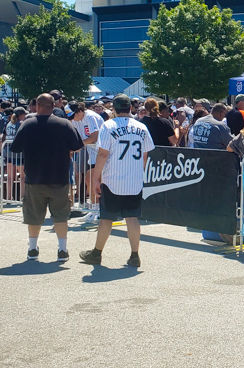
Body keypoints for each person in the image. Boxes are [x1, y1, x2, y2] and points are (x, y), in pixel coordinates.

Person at [80, 94, 154, 268]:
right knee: (132, 218)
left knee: (106, 218)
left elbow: (103, 153)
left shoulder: (108, 125)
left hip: (112, 179)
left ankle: (97, 253)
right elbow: (145, 155)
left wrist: (96, 177)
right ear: (130, 108)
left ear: (114, 108)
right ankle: (135, 255)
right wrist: (139, 173)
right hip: (134, 181)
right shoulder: (141, 127)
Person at [10, 94, 84, 262]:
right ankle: (62, 250)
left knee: (34, 215)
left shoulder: (27, 124)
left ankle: (32, 248)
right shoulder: (64, 124)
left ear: (37, 105)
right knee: (60, 215)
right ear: (54, 105)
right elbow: (77, 146)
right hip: (59, 176)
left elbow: (15, 148)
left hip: (34, 177)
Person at [68, 101, 105, 218]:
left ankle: (99, 210)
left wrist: (77, 146)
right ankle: (95, 209)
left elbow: (95, 136)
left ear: (79, 111)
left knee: (94, 180)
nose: (71, 119)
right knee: (90, 180)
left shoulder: (90, 117)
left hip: (103, 153)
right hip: (93, 153)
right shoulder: (76, 120)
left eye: (73, 115)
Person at [2, 107, 27, 201]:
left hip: (8, 151)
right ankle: (22, 197)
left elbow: (3, 136)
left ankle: (9, 197)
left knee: (9, 177)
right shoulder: (21, 123)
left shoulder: (8, 123)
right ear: (21, 115)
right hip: (18, 152)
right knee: (23, 176)